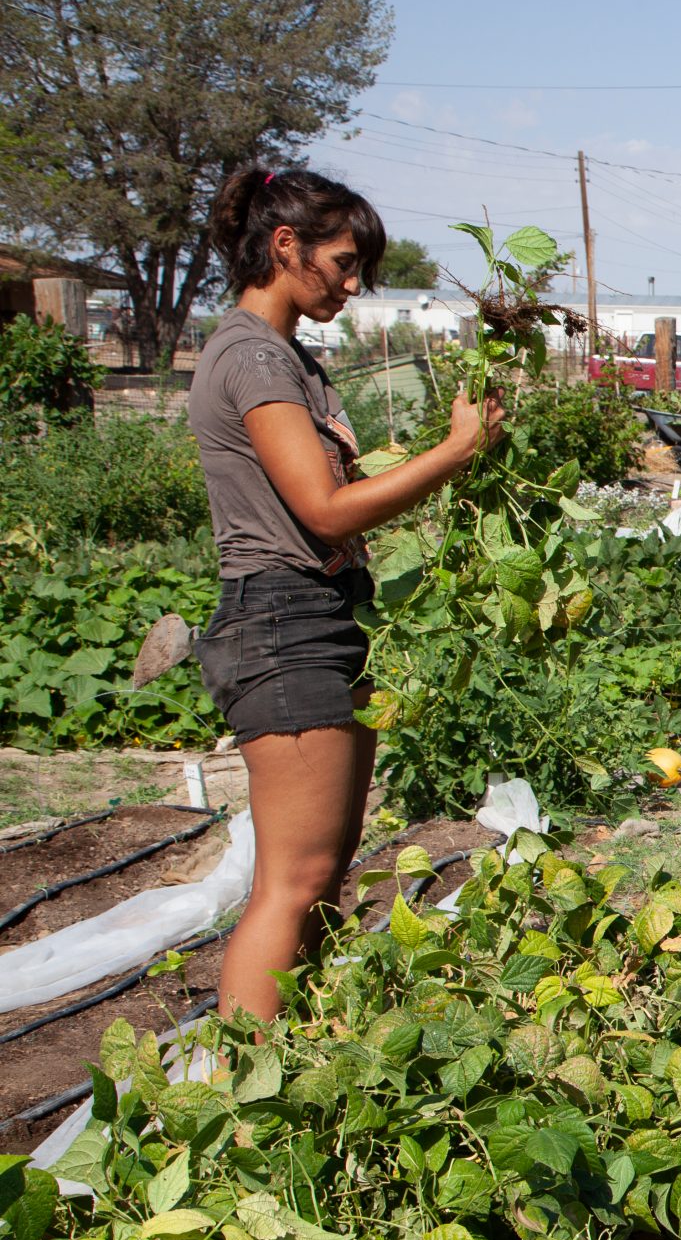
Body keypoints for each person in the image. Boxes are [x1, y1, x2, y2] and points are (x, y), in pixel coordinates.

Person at [187, 166, 503, 1020]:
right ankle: (243, 1082)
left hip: (318, 616)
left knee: (323, 872)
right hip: (281, 620)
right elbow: (324, 510)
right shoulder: (253, 356)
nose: (354, 284)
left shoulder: (283, 354)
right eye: (343, 263)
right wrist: (453, 454)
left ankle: (304, 1056)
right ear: (284, 245)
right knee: (291, 882)